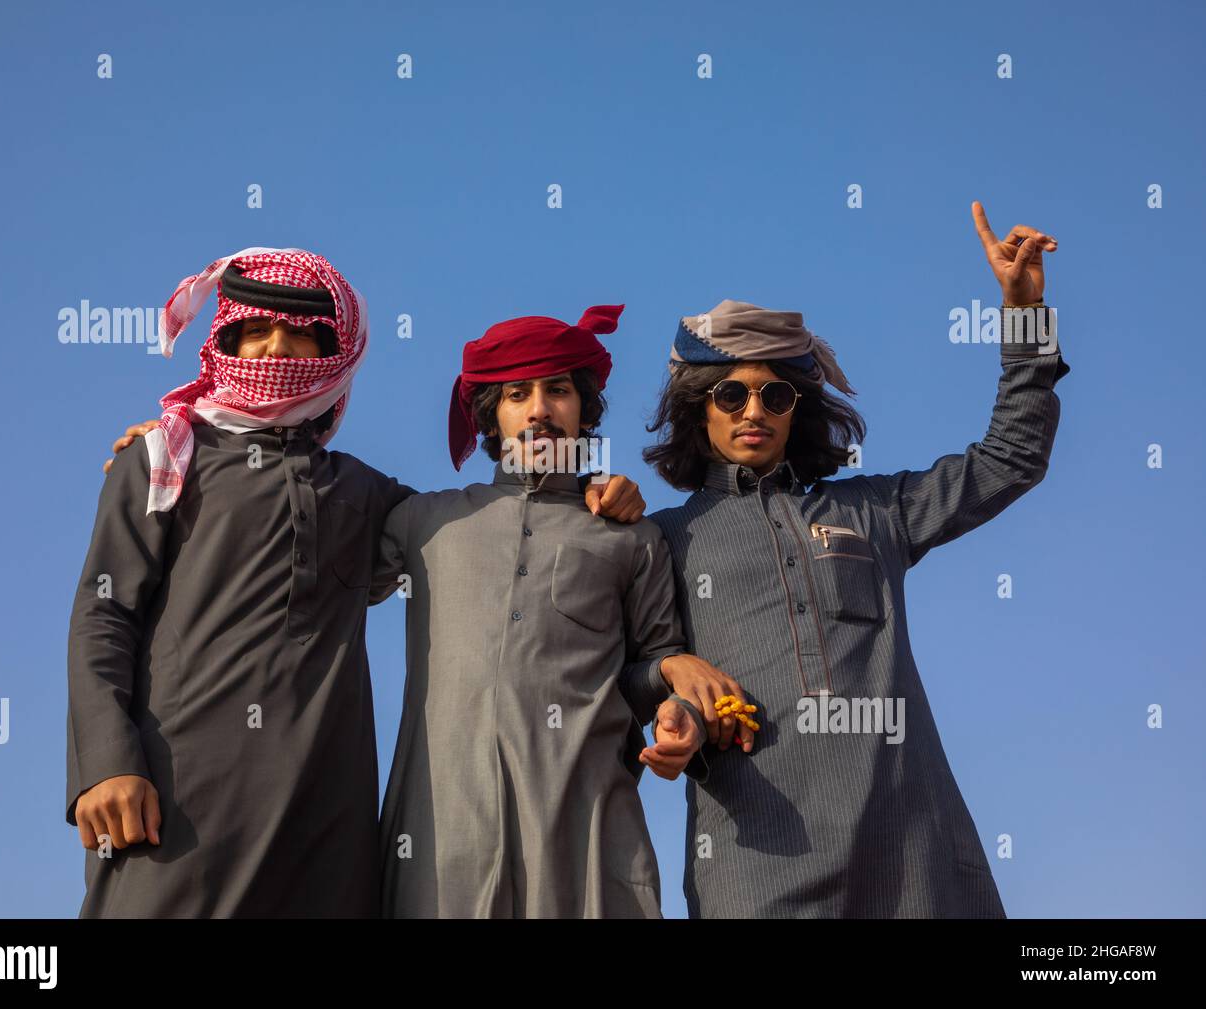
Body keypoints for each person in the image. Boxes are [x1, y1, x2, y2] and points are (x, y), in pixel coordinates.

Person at [89, 263, 651, 917]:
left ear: (332, 354)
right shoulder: (163, 463)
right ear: (225, 344)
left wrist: (579, 497)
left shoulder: (366, 496)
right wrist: (107, 760)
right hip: (178, 793)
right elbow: (103, 617)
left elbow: (500, 532)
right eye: (256, 331)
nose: (275, 348)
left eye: (300, 333)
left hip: (330, 825)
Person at [642, 202, 1067, 917]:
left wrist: (1023, 317)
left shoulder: (873, 512)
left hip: (915, 859)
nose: (754, 409)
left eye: (775, 393)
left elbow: (1010, 459)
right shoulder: (660, 540)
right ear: (699, 409)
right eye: (731, 392)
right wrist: (666, 681)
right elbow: (623, 668)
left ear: (796, 409)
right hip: (756, 862)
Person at [373, 304, 747, 918]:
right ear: (492, 415)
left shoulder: (629, 536)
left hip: (589, 842)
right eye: (518, 394)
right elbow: (320, 569)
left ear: (585, 409)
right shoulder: (424, 521)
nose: (541, 409)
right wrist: (181, 441)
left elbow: (657, 665)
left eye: (559, 391)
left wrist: (681, 714)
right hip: (441, 844)